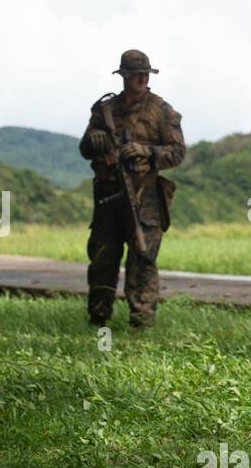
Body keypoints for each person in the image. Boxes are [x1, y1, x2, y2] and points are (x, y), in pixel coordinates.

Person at [79, 49, 186, 329]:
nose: (140, 80)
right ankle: (98, 317)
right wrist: (96, 140)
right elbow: (85, 148)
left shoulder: (161, 110)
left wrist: (146, 152)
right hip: (108, 195)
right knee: (104, 256)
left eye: (144, 75)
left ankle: (141, 322)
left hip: (145, 195)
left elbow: (177, 152)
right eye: (134, 75)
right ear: (124, 77)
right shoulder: (105, 110)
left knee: (143, 258)